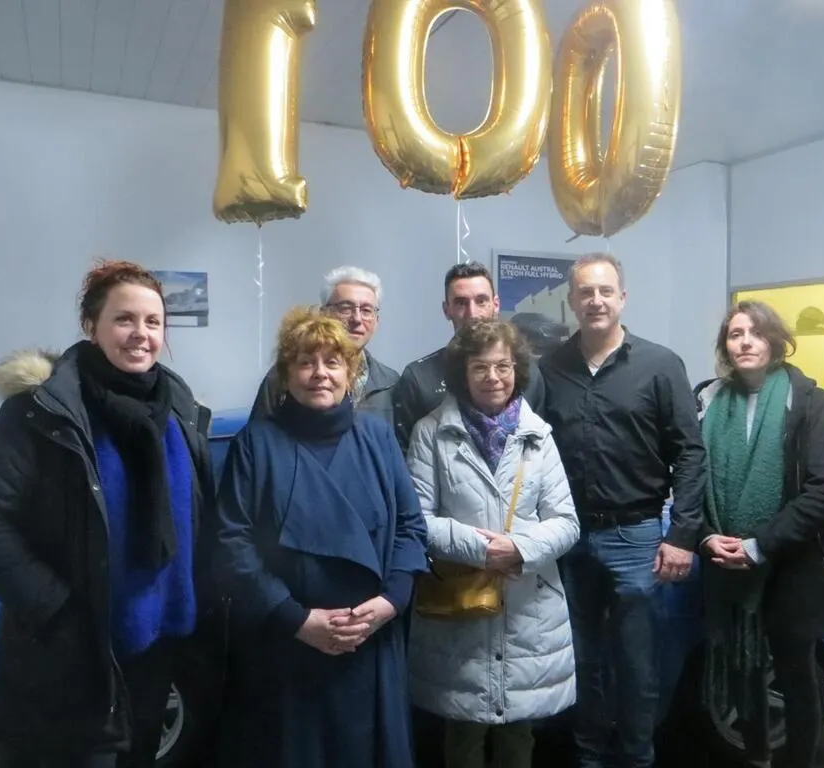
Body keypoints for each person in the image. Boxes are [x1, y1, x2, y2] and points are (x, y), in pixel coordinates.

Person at [0, 261, 217, 768]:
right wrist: (56, 607)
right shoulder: (44, 411)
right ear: (91, 326)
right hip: (74, 649)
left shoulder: (180, 410)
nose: (141, 334)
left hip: (158, 643)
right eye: (124, 319)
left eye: (154, 322)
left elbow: (199, 514)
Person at [213, 306, 429, 768]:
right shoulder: (257, 442)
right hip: (289, 642)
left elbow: (411, 527)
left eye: (333, 362)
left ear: (350, 373)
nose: (319, 374)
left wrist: (391, 601)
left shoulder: (377, 437)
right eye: (306, 362)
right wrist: (297, 619)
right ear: (287, 372)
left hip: (371, 638)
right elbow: (233, 543)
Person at [539, 252, 706, 768]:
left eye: (605, 291)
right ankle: (589, 756)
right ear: (571, 302)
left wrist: (681, 535)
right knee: (582, 659)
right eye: (585, 292)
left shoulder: (659, 364)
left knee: (637, 663)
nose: (595, 300)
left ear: (622, 298)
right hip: (568, 539)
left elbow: (690, 453)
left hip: (636, 536)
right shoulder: (550, 369)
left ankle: (636, 757)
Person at [407, 319, 579, 768]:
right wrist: (482, 549)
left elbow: (566, 522)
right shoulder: (431, 432)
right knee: (462, 729)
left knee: (519, 732)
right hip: (460, 604)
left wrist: (518, 550)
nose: (492, 377)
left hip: (527, 608)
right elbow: (416, 521)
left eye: (502, 366)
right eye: (480, 367)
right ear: (463, 372)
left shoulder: (539, 436)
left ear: (517, 370)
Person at [695, 301, 824, 768]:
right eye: (735, 333)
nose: (745, 341)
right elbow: (689, 482)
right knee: (741, 668)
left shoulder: (811, 402)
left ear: (776, 342)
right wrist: (707, 537)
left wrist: (759, 546)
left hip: (794, 565)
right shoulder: (707, 402)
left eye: (756, 332)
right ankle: (755, 756)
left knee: (796, 674)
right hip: (724, 562)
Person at [394, 261, 545, 452]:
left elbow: (539, 445)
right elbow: (407, 457)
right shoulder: (418, 378)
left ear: (495, 304)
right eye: (460, 303)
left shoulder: (527, 372)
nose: (472, 313)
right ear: (446, 309)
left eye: (481, 300)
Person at [249, 265, 398, 423]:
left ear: (377, 320)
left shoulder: (390, 382)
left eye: (367, 310)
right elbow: (258, 441)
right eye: (345, 308)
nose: (357, 319)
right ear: (323, 314)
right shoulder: (285, 375)